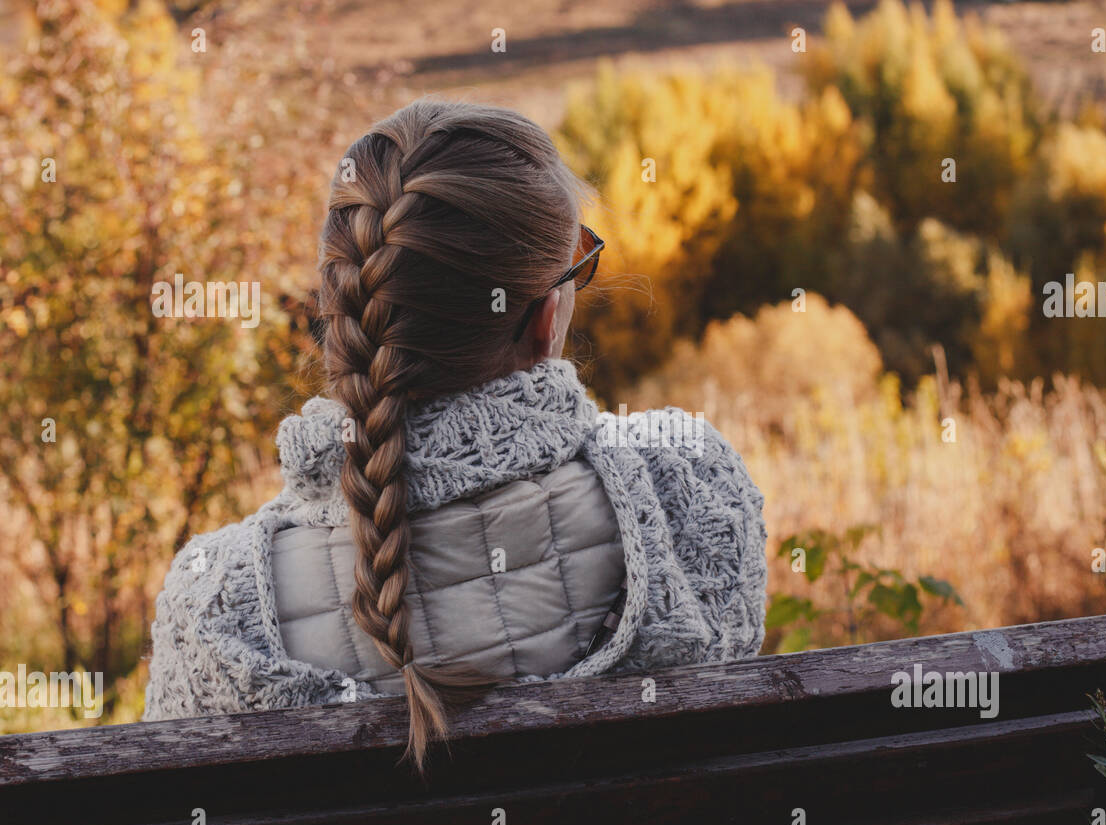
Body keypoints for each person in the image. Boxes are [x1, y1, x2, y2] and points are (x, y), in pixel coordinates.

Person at [143, 98, 768, 774]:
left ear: (345, 310)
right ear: (544, 314)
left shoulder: (214, 608)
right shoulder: (691, 497)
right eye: (577, 263)